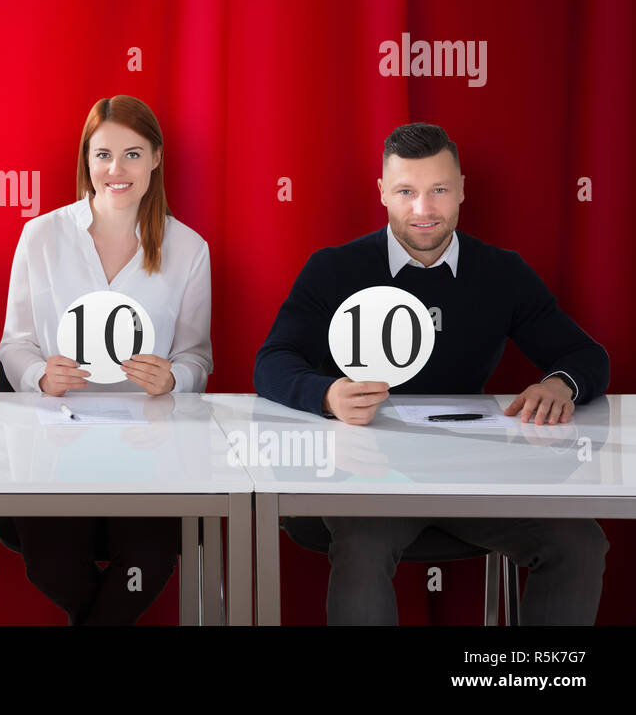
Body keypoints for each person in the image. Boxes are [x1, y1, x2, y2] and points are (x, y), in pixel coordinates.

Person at [253, 121, 609, 625]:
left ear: (462, 188)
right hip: (368, 475)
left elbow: (586, 355)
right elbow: (271, 362)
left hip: (475, 476)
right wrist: (328, 394)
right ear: (382, 193)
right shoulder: (335, 269)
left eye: (439, 190)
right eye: (406, 191)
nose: (423, 209)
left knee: (579, 542)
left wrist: (559, 382)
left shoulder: (501, 272)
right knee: (362, 540)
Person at [0, 95, 213, 624]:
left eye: (133, 154)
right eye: (103, 155)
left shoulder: (188, 249)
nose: (116, 170)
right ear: (86, 159)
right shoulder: (41, 236)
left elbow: (196, 357)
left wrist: (173, 378)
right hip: (56, 441)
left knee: (149, 561)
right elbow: (13, 344)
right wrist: (40, 376)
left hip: (149, 446)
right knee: (50, 566)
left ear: (156, 159)